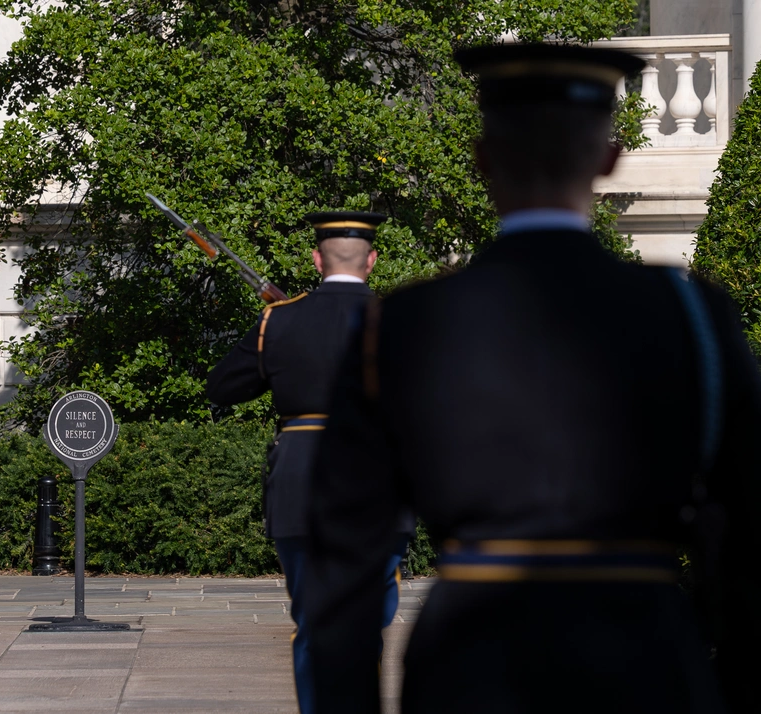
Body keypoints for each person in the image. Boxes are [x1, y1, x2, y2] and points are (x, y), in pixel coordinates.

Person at [304, 43, 761, 713]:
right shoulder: (690, 312)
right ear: (607, 160)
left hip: (470, 664)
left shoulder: (400, 323)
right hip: (646, 662)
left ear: (482, 159)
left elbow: (343, 569)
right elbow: (748, 535)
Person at [206, 214, 413, 714]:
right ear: (372, 260)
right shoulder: (405, 321)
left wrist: (278, 338)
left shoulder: (280, 319)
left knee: (315, 619)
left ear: (317, 260)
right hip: (378, 486)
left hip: (299, 481)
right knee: (366, 620)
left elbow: (221, 387)